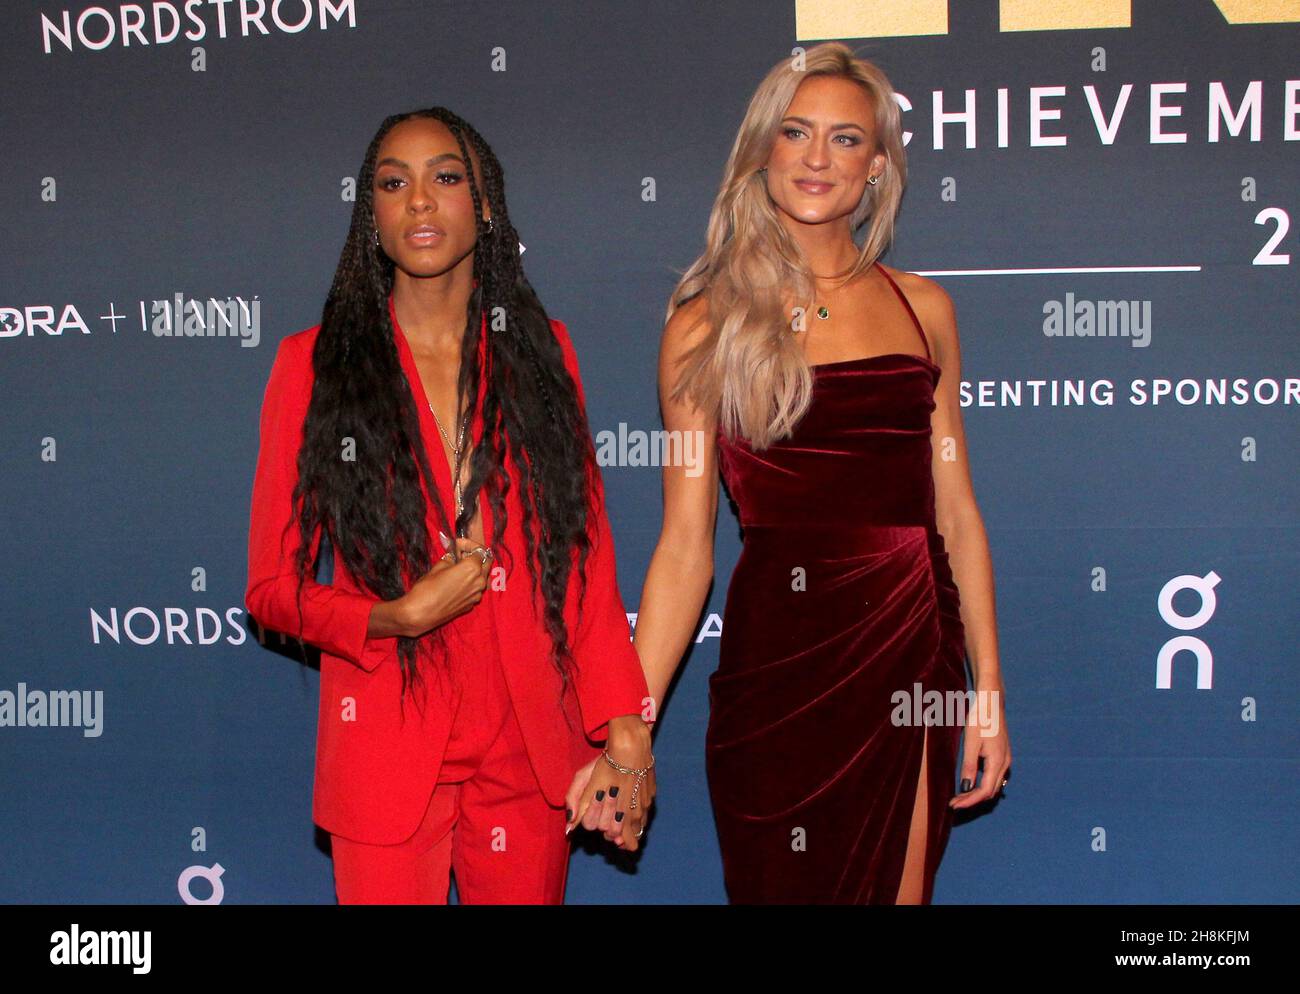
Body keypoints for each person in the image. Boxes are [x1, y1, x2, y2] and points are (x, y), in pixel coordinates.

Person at [244, 107, 655, 905]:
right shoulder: (313, 365)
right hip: (388, 755)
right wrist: (394, 617)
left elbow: (586, 557)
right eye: (394, 184)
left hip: (530, 752)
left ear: (486, 204)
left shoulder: (544, 350)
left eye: (446, 177)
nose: (420, 201)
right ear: (374, 215)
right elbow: (270, 589)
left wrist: (624, 722)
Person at [631, 43, 1011, 903]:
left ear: (876, 166)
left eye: (846, 139)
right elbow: (686, 550)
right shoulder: (704, 325)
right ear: (762, 150)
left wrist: (986, 690)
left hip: (912, 654)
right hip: (778, 663)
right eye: (795, 132)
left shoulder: (926, 309)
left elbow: (954, 511)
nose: (816, 157)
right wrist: (631, 723)